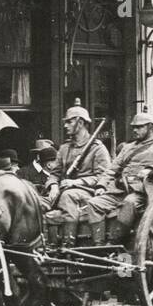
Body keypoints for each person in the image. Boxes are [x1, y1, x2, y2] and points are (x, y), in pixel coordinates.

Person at [82, 111, 153, 244]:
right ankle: (99, 245)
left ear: (150, 128)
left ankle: (114, 242)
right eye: (134, 127)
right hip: (120, 190)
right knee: (94, 203)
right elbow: (112, 169)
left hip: (143, 192)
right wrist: (101, 185)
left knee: (129, 203)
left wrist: (150, 169)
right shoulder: (127, 147)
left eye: (139, 127)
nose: (135, 130)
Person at [47, 102, 114, 247]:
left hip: (89, 193)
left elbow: (103, 177)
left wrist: (76, 183)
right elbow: (54, 173)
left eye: (69, 122)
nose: (65, 126)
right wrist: (53, 186)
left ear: (81, 123)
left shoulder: (97, 148)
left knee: (68, 196)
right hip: (63, 190)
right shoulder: (64, 148)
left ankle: (68, 243)